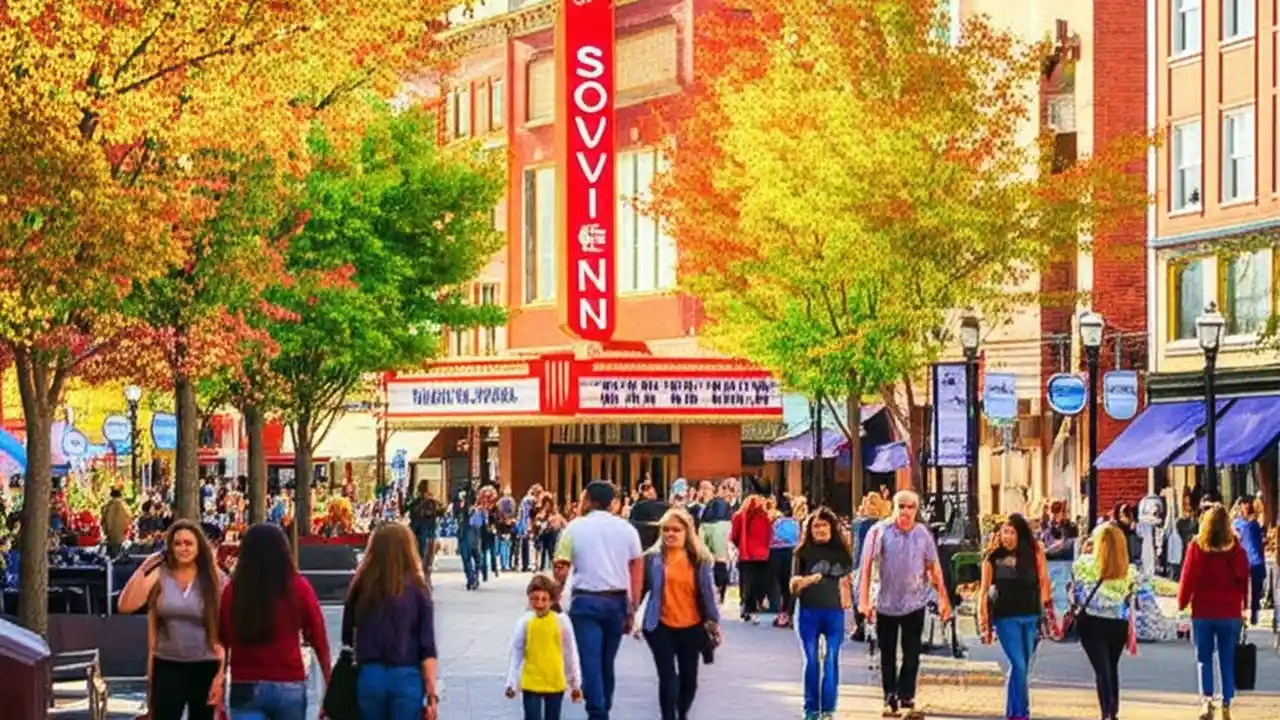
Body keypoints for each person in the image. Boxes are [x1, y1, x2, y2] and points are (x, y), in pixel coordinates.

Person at [219, 523, 332, 720]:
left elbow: (221, 641)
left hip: (245, 682)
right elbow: (319, 638)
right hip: (288, 681)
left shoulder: (233, 591)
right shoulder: (299, 587)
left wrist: (218, 688)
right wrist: (328, 682)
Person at [555, 480, 644, 720]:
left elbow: (561, 566)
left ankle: (598, 711)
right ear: (612, 503)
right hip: (616, 602)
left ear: (588, 500)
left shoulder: (574, 528)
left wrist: (555, 595)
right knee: (607, 660)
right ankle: (604, 705)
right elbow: (636, 566)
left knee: (590, 660)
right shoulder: (627, 530)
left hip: (585, 601)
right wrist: (633, 606)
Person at [858, 490, 951, 719]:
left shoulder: (922, 534)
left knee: (912, 653)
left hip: (914, 602)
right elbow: (866, 567)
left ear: (916, 510)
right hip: (885, 602)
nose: (906, 511)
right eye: (902, 506)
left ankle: (906, 693)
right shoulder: (879, 532)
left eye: (911, 507)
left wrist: (943, 599)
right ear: (894, 507)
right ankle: (890, 694)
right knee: (886, 653)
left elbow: (933, 567)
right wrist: (863, 601)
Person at [343, 523, 439, 720]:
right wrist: (431, 695)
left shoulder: (361, 587)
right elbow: (427, 647)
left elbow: (347, 637)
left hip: (370, 676)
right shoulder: (418, 590)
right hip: (406, 677)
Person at [136, 520, 225, 720]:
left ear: (199, 547)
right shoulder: (160, 577)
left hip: (205, 664)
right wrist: (145, 567)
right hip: (167, 663)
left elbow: (226, 630)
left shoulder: (215, 579)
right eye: (177, 543)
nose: (183, 548)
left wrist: (220, 675)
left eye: (188, 543)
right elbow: (126, 605)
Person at [638, 508, 721, 720]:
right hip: (660, 626)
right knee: (667, 678)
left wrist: (713, 622)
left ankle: (681, 714)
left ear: (687, 532)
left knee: (689, 681)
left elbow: (708, 593)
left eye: (676, 530)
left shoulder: (699, 559)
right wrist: (630, 617)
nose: (670, 534)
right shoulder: (651, 559)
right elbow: (640, 590)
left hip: (691, 627)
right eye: (666, 530)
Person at [978, 514, 1051, 720]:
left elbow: (1044, 580)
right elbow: (983, 592)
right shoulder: (992, 557)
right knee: (1018, 663)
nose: (1007, 537)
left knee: (1022, 667)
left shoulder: (1034, 550)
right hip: (1005, 616)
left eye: (1012, 532)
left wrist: (1047, 611)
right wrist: (983, 622)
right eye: (1004, 532)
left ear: (1020, 534)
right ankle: (1020, 715)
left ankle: (1014, 712)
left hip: (1030, 614)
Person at [1179, 504, 1249, 720]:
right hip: (1230, 612)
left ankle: (1207, 701)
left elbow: (1188, 577)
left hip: (1204, 610)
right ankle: (1226, 702)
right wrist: (1244, 605)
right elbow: (1243, 578)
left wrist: (1182, 602)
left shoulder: (1197, 547)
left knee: (1204, 658)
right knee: (1227, 658)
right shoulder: (1236, 549)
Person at [790, 506, 854, 720]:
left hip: (834, 612)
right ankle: (810, 709)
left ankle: (828, 709)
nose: (820, 529)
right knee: (811, 659)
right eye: (816, 526)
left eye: (824, 525)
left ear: (832, 527)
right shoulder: (802, 552)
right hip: (809, 611)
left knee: (831, 658)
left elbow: (847, 580)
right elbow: (793, 585)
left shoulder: (842, 553)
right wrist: (809, 579)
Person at [1071, 523, 1137, 720]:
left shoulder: (1085, 565)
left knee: (1101, 669)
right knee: (1112, 666)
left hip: (1092, 622)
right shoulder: (1128, 570)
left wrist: (1084, 552)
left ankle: (1106, 712)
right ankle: (1113, 710)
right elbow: (1132, 597)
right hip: (1118, 623)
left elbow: (1077, 593)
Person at [505, 574, 582, 720]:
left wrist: (575, 682)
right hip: (531, 682)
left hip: (554, 682)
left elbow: (570, 652)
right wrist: (511, 681)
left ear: (552, 600)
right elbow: (517, 651)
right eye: (534, 599)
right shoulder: (525, 622)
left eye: (544, 599)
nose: (539, 604)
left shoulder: (561, 621)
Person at [730, 493, 772, 624]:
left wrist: (740, 546)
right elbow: (770, 535)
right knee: (759, 582)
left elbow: (734, 536)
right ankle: (758, 605)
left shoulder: (739, 516)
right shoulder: (766, 517)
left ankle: (746, 606)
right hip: (763, 555)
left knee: (746, 582)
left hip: (746, 554)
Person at [1230, 499, 1265, 626]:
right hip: (1242, 558)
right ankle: (1242, 612)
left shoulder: (1254, 525)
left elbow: (1258, 544)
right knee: (1241, 588)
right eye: (1243, 506)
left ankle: (1254, 612)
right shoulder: (1237, 524)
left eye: (1247, 506)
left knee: (1256, 588)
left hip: (1254, 559)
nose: (1245, 508)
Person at [698, 481, 735, 603]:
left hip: (706, 524)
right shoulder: (726, 509)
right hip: (723, 527)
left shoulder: (708, 505)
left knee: (707, 559)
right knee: (721, 560)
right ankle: (720, 590)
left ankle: (711, 588)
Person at [767, 499, 801, 628]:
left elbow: (770, 538)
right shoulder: (795, 523)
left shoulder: (776, 523)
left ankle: (784, 613)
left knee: (782, 586)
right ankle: (791, 614)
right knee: (791, 585)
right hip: (792, 551)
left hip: (776, 553)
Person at [405, 481, 441, 577]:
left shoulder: (416, 501)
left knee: (421, 556)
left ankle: (420, 574)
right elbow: (438, 513)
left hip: (418, 531)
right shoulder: (428, 502)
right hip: (426, 532)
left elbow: (405, 509)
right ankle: (424, 576)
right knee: (426, 557)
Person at [629, 481, 669, 550]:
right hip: (661, 547)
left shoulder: (635, 508)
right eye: (647, 489)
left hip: (640, 548)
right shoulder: (665, 506)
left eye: (651, 487)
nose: (651, 490)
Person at [101, 488, 132, 557]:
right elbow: (128, 520)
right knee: (117, 558)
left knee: (110, 557)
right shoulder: (124, 507)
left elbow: (103, 521)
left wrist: (106, 532)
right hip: (120, 537)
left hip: (110, 537)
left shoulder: (107, 507)